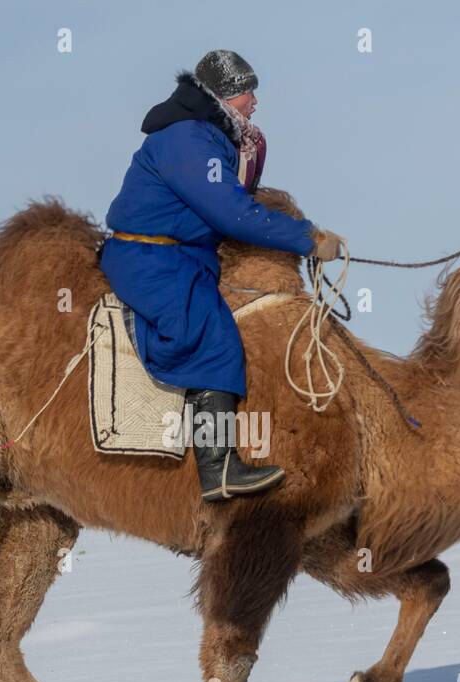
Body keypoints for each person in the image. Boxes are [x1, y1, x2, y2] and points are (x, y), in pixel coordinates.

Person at [100, 50, 344, 502]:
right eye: (249, 92)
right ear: (226, 95)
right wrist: (306, 238)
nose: (255, 102)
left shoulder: (208, 137)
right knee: (211, 338)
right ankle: (219, 469)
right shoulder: (189, 139)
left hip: (182, 258)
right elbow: (231, 212)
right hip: (153, 260)